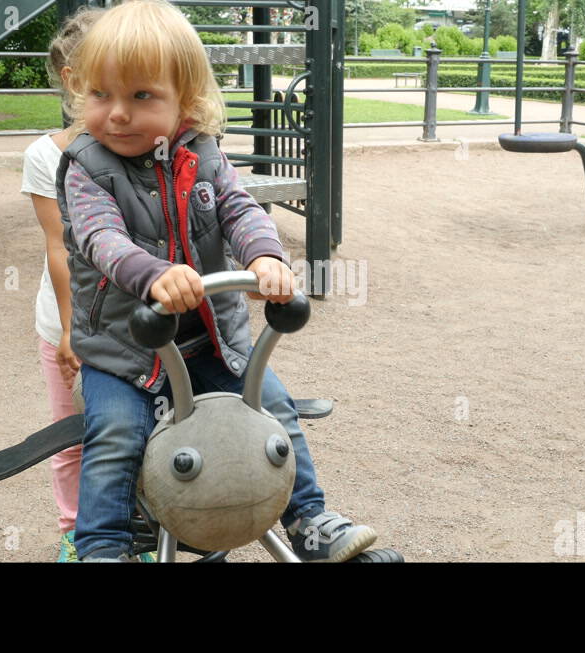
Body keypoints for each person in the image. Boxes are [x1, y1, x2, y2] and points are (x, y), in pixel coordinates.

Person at [59, 0, 377, 562]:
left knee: (271, 409)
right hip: (124, 352)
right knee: (115, 437)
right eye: (100, 94)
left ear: (187, 99)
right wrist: (156, 275)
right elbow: (100, 240)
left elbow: (239, 208)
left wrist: (265, 257)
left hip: (209, 340)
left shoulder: (203, 154)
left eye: (141, 96)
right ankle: (102, 548)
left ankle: (309, 517)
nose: (117, 114)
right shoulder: (86, 168)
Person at [20, 6, 148, 563]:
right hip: (71, 324)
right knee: (75, 435)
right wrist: (73, 330)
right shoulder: (47, 155)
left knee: (137, 433)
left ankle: (138, 532)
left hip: (139, 325)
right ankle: (79, 533)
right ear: (75, 82)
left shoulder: (145, 146)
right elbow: (59, 248)